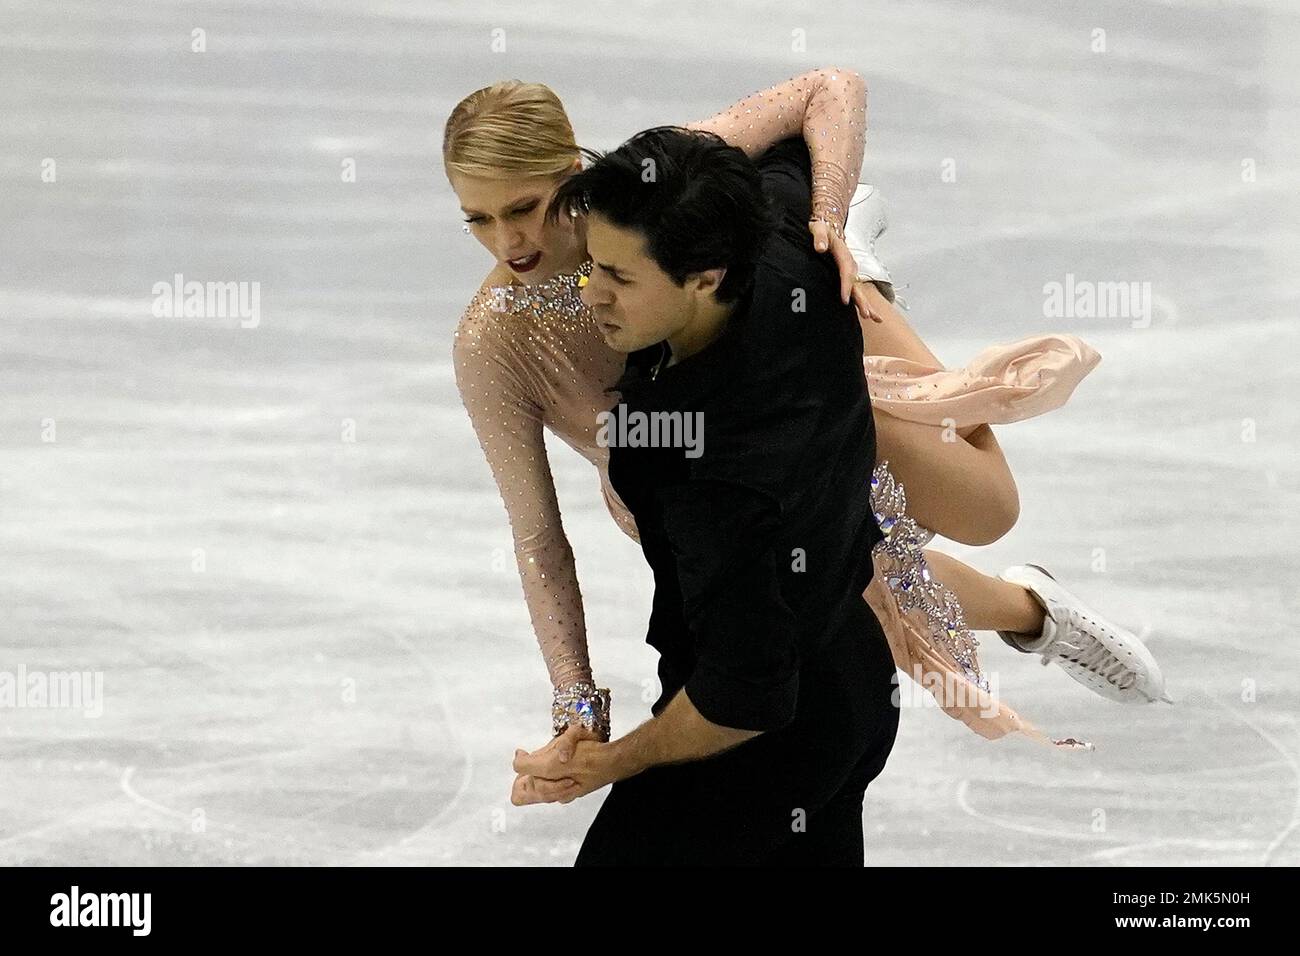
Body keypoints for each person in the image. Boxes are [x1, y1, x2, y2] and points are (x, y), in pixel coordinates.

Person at [444, 69, 1167, 790]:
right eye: (478, 219)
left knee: (988, 509)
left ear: (573, 174)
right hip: (695, 466)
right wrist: (578, 705)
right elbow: (538, 537)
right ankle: (1035, 613)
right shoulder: (493, 343)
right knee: (841, 584)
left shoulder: (658, 190)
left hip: (792, 335)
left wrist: (825, 218)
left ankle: (855, 246)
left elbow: (832, 86)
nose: (508, 241)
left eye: (525, 207)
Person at [515, 128, 899, 865]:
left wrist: (611, 761)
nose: (591, 292)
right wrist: (829, 218)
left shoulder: (704, 472)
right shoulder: (789, 250)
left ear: (705, 278)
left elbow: (743, 696)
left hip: (758, 752)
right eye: (593, 263)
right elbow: (812, 114)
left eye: (620, 278)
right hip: (854, 677)